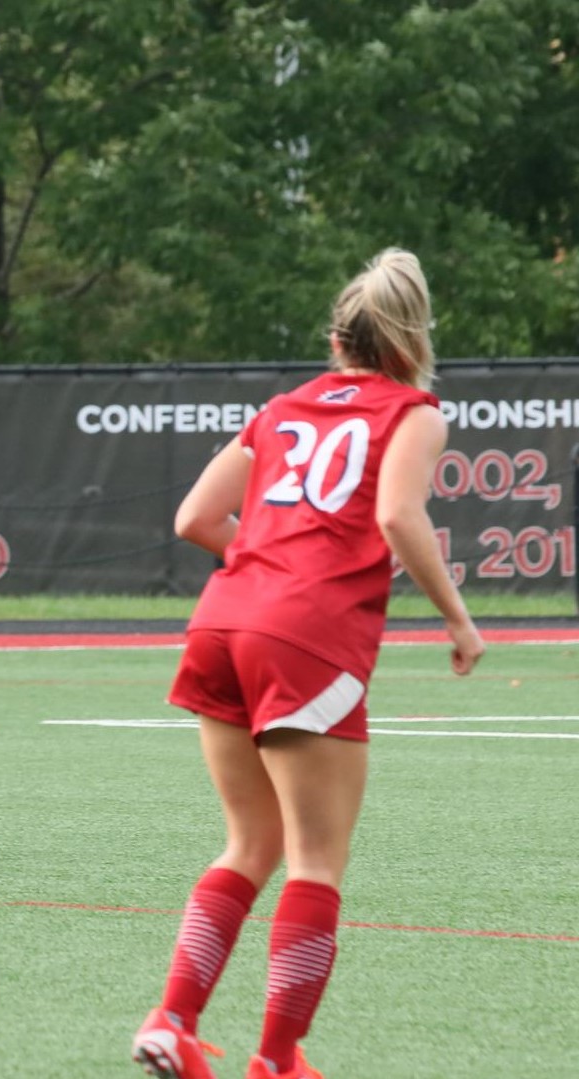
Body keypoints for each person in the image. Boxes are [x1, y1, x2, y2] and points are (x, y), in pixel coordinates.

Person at [130, 248, 485, 1079]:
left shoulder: (284, 406)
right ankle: (279, 1060)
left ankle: (172, 1019)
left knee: (248, 840)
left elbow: (195, 517)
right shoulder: (415, 411)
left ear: (337, 336)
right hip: (305, 635)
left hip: (222, 620)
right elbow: (399, 516)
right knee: (315, 860)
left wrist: (265, 565)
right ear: (413, 340)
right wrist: (460, 622)